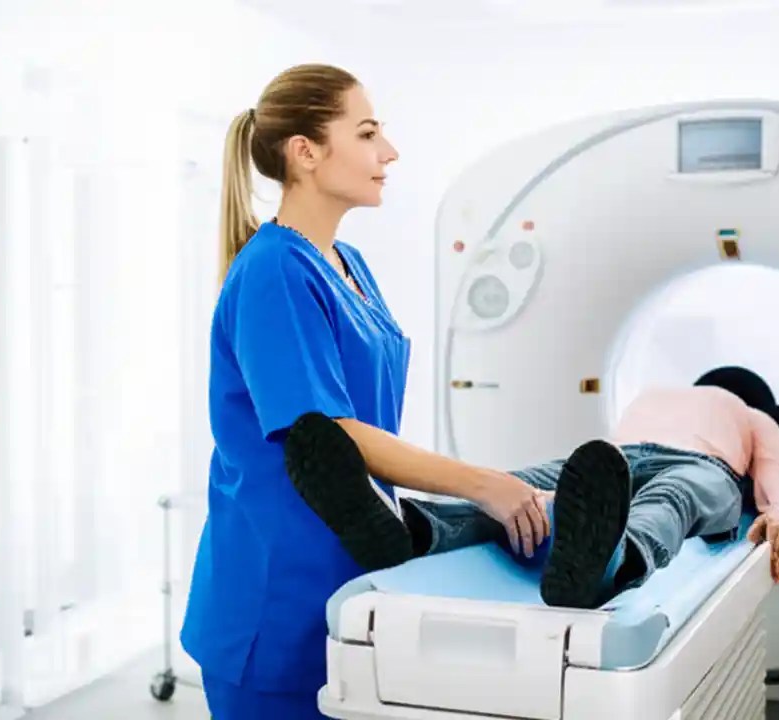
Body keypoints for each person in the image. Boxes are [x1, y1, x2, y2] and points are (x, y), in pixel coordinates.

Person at [178, 64, 552, 719]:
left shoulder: (351, 268)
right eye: (368, 133)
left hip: (346, 569)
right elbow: (332, 432)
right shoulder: (273, 272)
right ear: (306, 152)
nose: (390, 152)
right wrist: (482, 483)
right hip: (275, 590)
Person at [286, 366, 779, 610]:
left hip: (621, 457)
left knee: (520, 492)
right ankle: (616, 559)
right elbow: (775, 477)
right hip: (703, 465)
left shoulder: (658, 390)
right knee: (672, 503)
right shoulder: (751, 417)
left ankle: (414, 528)